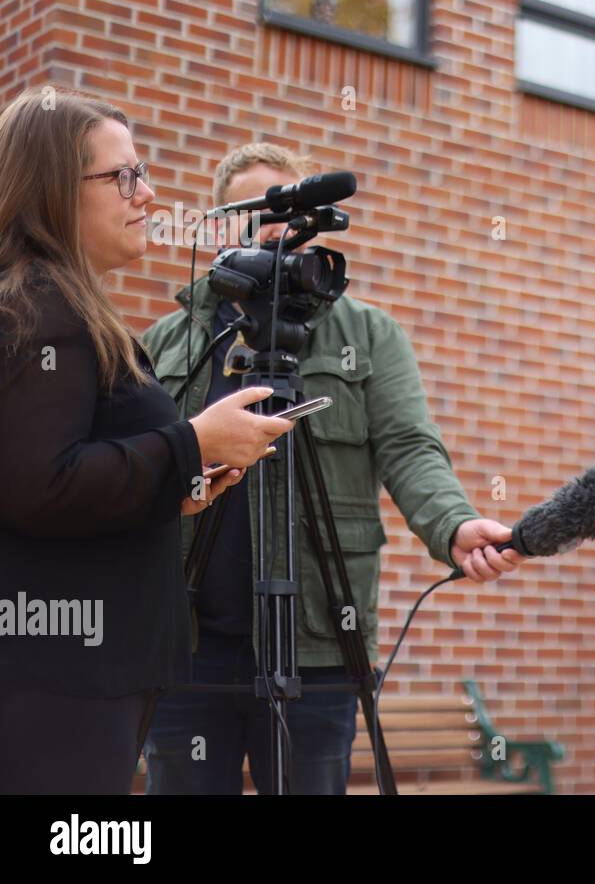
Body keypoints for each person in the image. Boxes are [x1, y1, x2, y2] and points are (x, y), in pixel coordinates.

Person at [141, 142, 524, 794]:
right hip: (187, 645)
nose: (276, 227)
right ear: (218, 224)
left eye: (291, 211)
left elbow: (408, 446)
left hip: (319, 646)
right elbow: (137, 472)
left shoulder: (368, 337)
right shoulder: (165, 342)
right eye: (260, 209)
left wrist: (452, 525)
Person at [0, 88, 291, 794]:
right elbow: (36, 485)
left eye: (143, 172)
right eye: (122, 176)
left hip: (81, 665)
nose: (148, 193)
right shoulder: (43, 309)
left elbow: (61, 482)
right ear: (51, 192)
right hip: (64, 674)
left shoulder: (61, 302)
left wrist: (174, 489)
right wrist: (190, 444)